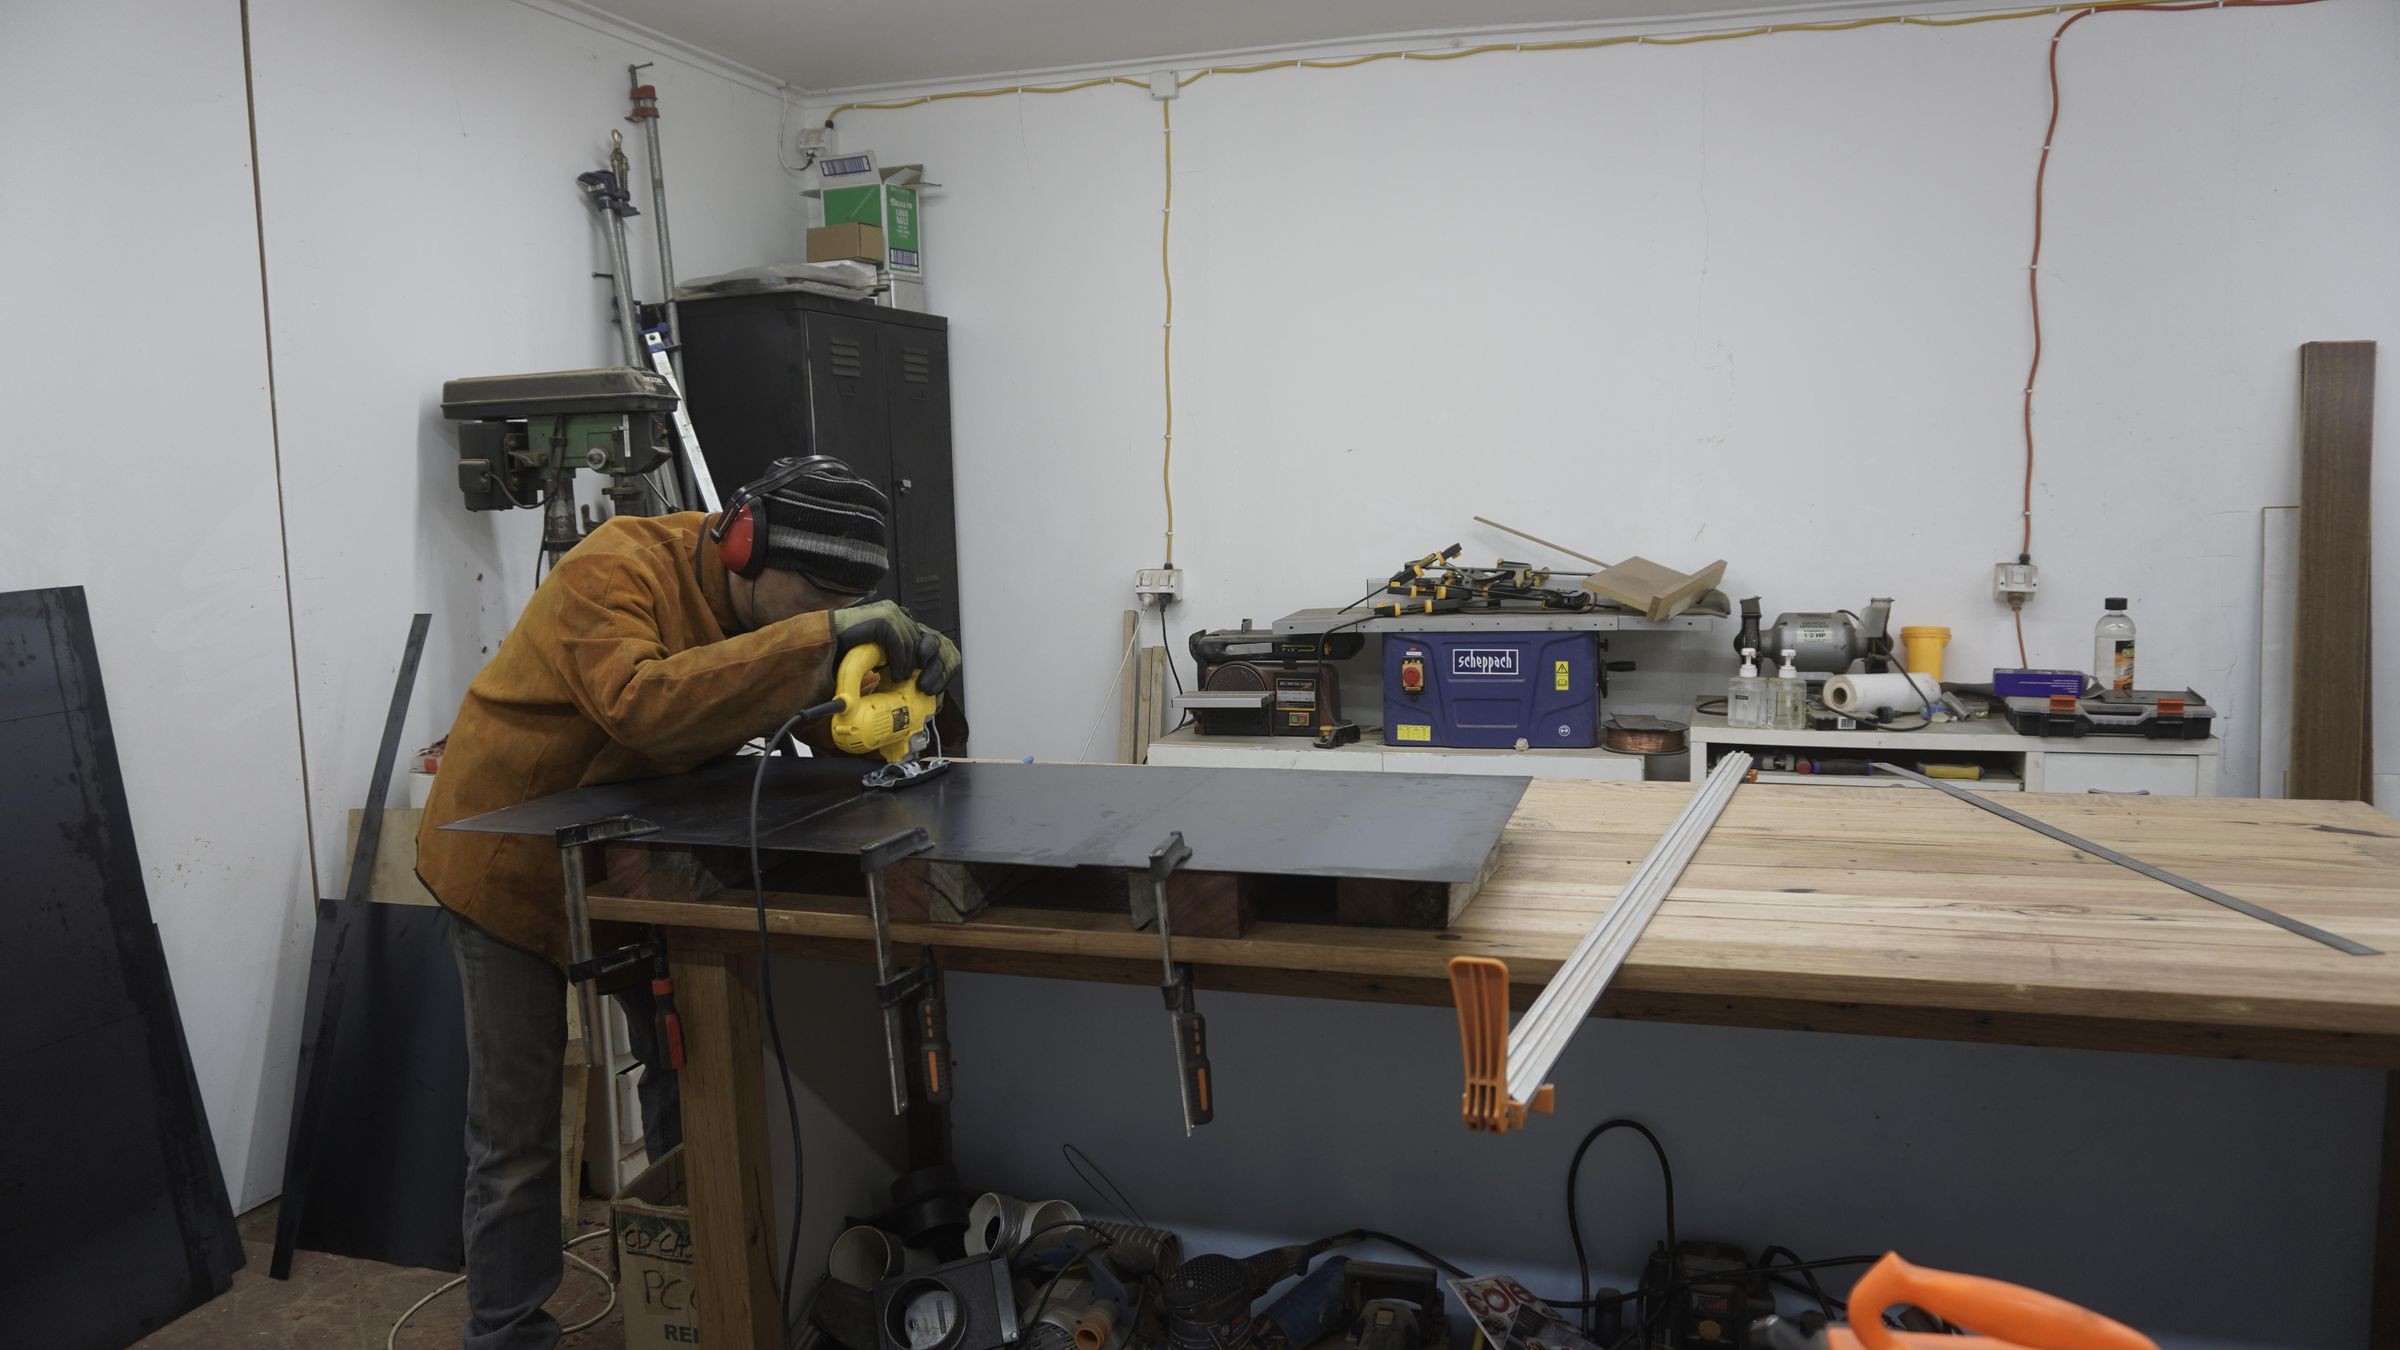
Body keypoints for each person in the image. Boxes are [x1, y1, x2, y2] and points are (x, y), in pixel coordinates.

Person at [415, 455, 961, 1350]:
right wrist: (820, 640)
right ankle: (507, 1332)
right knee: (517, 1133)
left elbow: (805, 707)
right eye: (813, 597)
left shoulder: (779, 617)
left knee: (690, 1077)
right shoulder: (614, 568)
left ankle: (680, 1285)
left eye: (844, 604)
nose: (820, 619)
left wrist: (903, 692)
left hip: (630, 862)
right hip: (504, 859)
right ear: (745, 547)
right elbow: (642, 705)